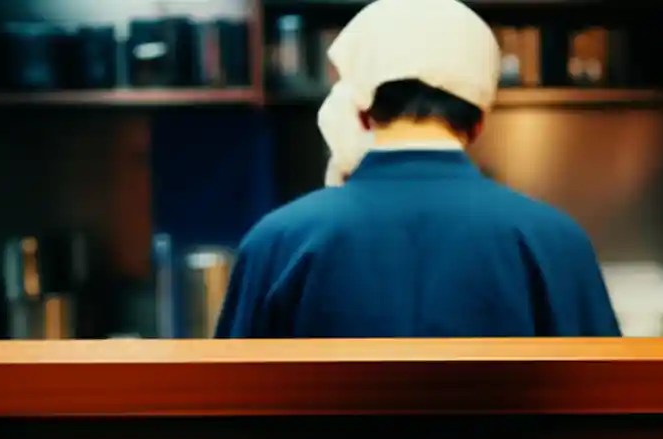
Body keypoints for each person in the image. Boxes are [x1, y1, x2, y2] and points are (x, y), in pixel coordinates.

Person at [215, 0, 619, 338]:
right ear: (478, 123)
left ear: (362, 113)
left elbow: (227, 412)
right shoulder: (554, 242)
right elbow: (608, 409)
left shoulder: (278, 242)